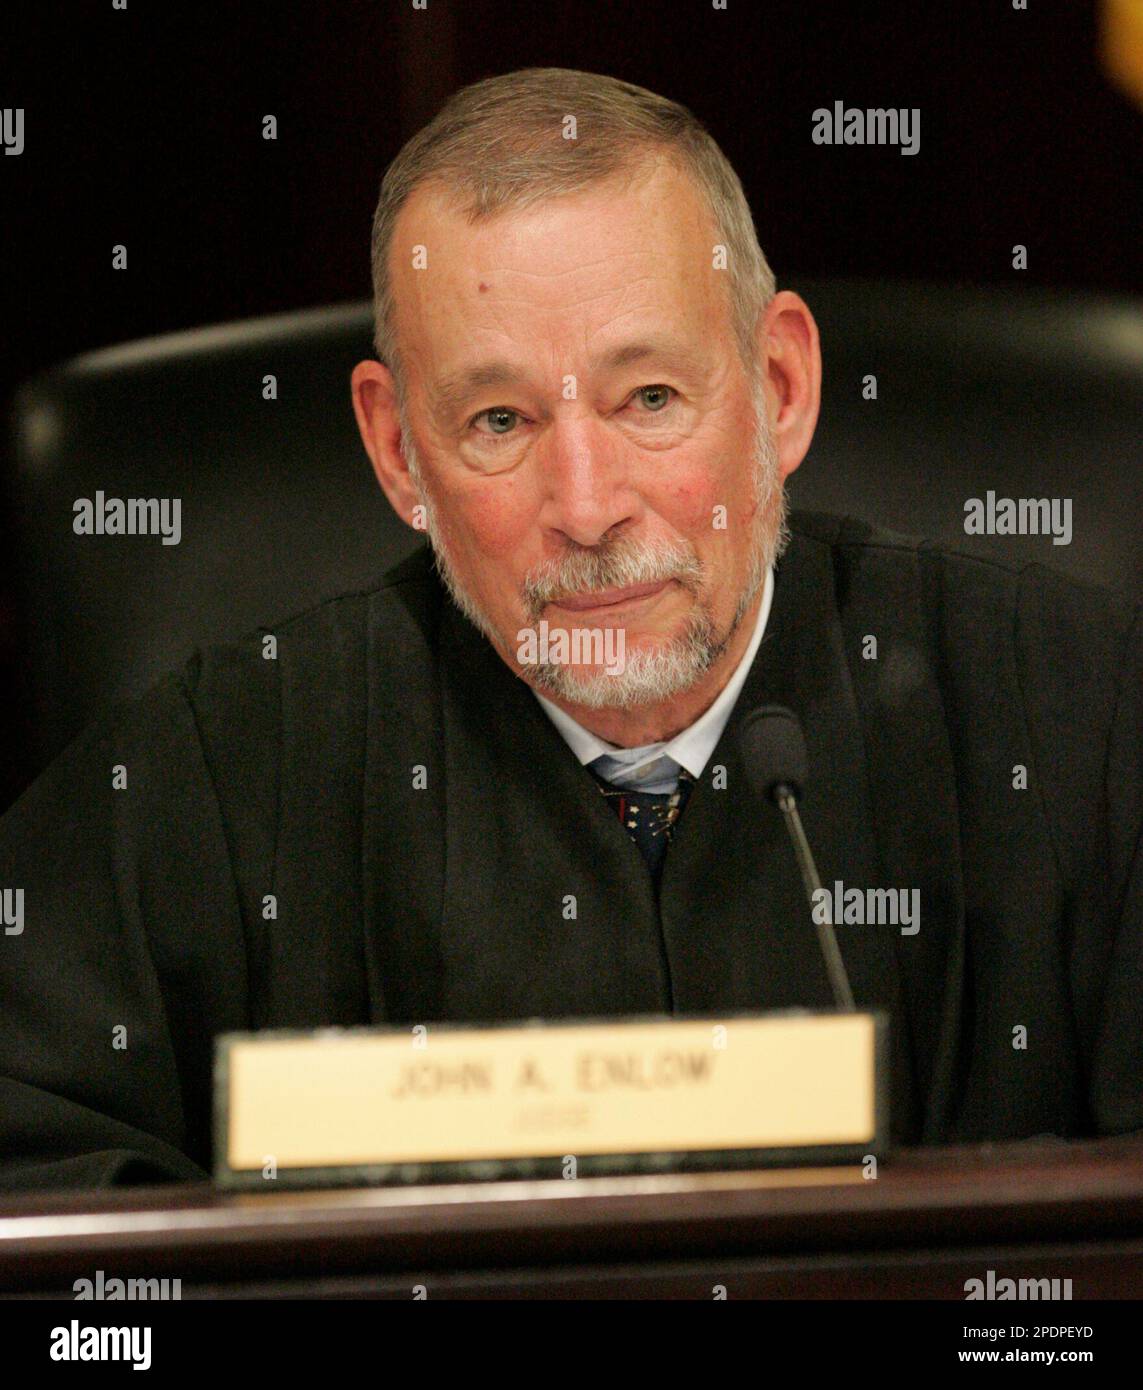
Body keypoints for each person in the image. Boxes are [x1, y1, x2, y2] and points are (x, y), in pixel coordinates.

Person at [1, 68, 1140, 1190]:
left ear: (781, 385)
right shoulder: (211, 777)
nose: (588, 506)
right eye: (500, 420)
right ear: (398, 450)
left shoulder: (1086, 722)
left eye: (650, 399)